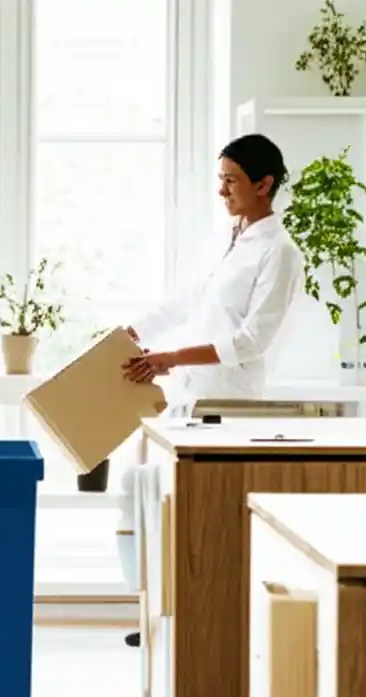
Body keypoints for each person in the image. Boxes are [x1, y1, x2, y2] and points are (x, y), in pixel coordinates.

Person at [114, 134, 302, 648]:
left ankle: (196, 621)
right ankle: (155, 610)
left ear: (264, 185)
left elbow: (250, 340)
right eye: (220, 179)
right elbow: (189, 302)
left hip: (230, 403)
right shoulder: (232, 239)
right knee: (140, 489)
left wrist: (170, 358)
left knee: (200, 514)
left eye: (232, 180)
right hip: (190, 398)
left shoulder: (280, 253)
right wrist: (135, 332)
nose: (222, 190)